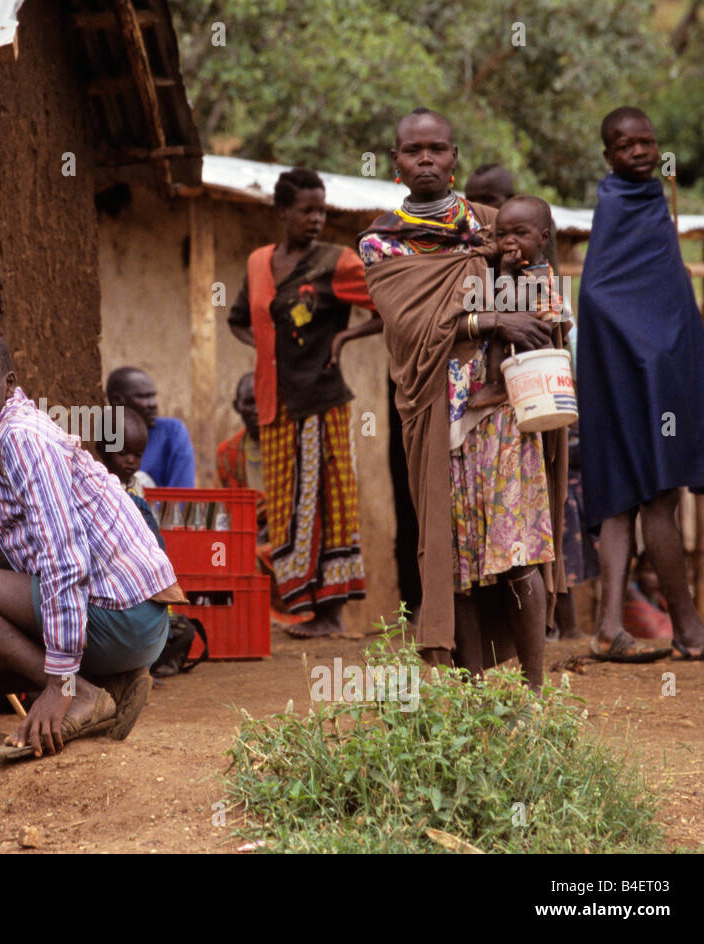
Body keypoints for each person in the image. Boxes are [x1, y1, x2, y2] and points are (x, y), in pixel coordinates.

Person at [0, 328, 185, 759]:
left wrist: (57, 684)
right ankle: (109, 688)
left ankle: (78, 692)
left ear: (8, 385)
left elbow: (64, 561)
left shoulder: (23, 438)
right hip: (115, 620)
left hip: (123, 612)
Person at [358, 108, 565, 690]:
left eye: (437, 149)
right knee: (456, 559)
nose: (425, 158)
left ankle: (532, 690)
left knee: (517, 547)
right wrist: (491, 319)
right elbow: (409, 327)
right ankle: (472, 691)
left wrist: (530, 311)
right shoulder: (380, 243)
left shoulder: (496, 224)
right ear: (395, 161)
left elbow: (542, 286)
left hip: (504, 412)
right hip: (436, 417)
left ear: (455, 159)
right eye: (412, 150)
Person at [579, 106, 704, 663]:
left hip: (653, 375)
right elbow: (598, 292)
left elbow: (662, 293)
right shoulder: (615, 203)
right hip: (626, 372)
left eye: (647, 141)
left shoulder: (655, 202)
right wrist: (648, 352)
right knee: (656, 494)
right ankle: (688, 630)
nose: (639, 151)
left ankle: (609, 628)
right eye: (625, 144)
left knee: (624, 497)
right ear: (608, 155)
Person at [228, 168, 374, 636]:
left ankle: (331, 613)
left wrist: (346, 336)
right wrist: (269, 351)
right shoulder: (258, 263)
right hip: (275, 405)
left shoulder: (339, 261)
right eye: (307, 210)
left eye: (322, 210)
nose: (316, 219)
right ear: (282, 211)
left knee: (329, 500)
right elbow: (237, 319)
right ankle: (306, 608)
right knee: (290, 506)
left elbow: (389, 306)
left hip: (323, 401)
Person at [468, 195, 568, 410]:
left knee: (499, 330)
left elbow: (507, 305)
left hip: (538, 327)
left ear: (543, 237)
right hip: (533, 323)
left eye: (520, 234)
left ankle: (496, 385)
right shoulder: (529, 266)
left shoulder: (536, 273)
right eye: (501, 235)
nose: (509, 241)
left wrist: (504, 272)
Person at [106, 367, 195, 487]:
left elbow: (182, 494)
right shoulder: (104, 436)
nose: (153, 404)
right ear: (117, 400)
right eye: (143, 397)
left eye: (153, 396)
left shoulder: (172, 432)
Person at [215, 373, 264, 493]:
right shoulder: (227, 453)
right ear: (237, 406)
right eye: (250, 402)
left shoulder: (288, 447)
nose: (257, 410)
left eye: (262, 400)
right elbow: (223, 503)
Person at [622, 556, 673, 641]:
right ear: (637, 573)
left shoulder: (656, 598)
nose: (656, 578)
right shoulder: (630, 592)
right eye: (650, 571)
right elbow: (658, 633)